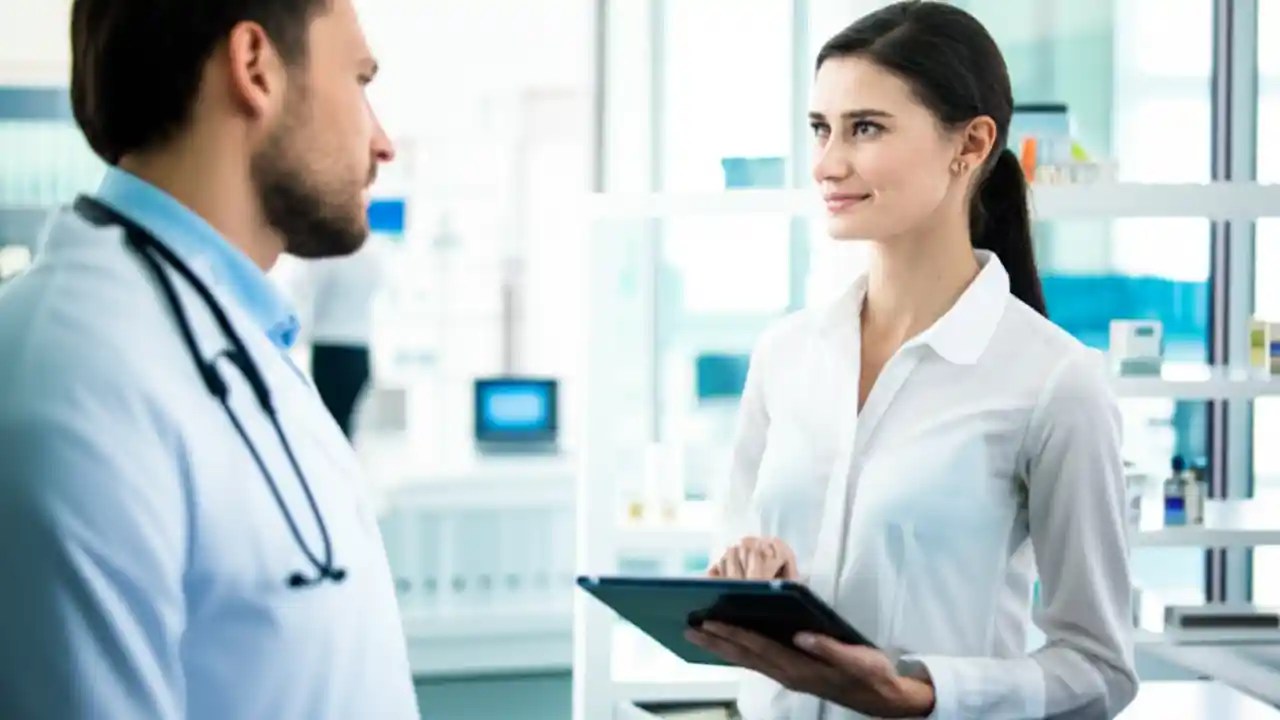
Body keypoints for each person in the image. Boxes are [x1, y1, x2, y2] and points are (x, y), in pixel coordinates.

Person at [686, 3, 1138, 719]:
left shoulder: (1053, 381)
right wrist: (746, 569)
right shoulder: (787, 354)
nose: (829, 162)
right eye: (820, 128)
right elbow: (736, 539)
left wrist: (921, 695)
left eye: (865, 128)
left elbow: (1099, 667)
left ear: (970, 143)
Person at [0, 1, 418, 718]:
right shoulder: (74, 381)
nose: (383, 143)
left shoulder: (236, 333)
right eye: (358, 80)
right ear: (254, 68)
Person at [285, 236, 387, 439]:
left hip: (329, 349)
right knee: (346, 423)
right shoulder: (372, 259)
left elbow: (311, 304)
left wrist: (293, 342)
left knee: (330, 423)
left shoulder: (326, 259)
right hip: (359, 349)